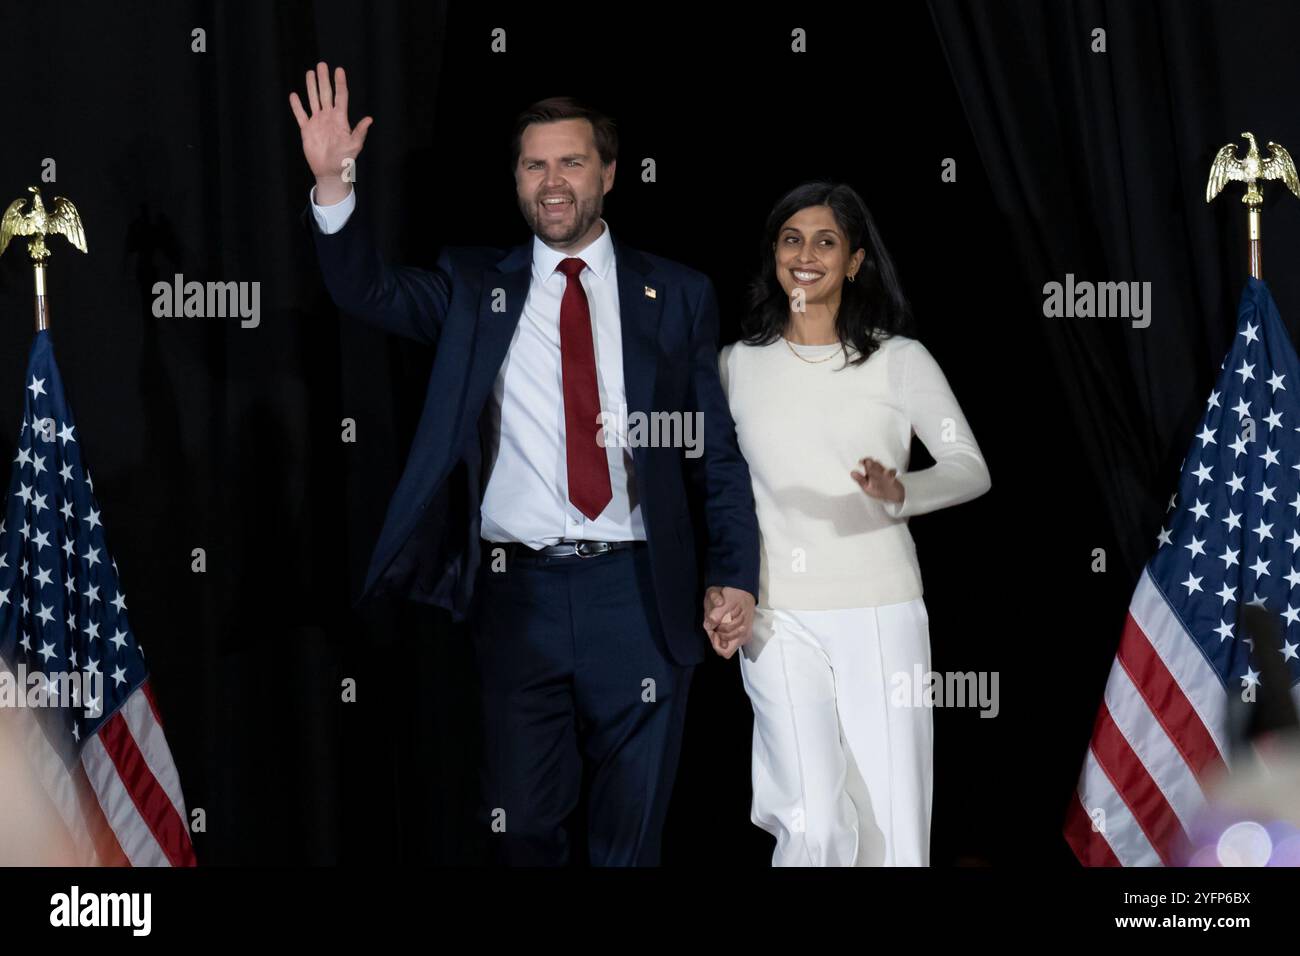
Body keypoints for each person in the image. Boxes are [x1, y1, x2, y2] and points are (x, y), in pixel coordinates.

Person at [289, 63, 759, 865]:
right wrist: (333, 186)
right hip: (519, 597)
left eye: (571, 162)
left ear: (608, 174)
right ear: (515, 179)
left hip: (641, 597)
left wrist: (736, 571)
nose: (552, 182)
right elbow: (367, 291)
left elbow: (715, 450)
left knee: (631, 836)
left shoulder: (675, 294)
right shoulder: (475, 287)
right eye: (534, 165)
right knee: (519, 823)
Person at [713, 181, 991, 866]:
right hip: (776, 618)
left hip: (879, 610)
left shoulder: (900, 360)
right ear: (775, 254)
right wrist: (721, 584)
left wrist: (901, 492)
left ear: (855, 260)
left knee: (891, 826)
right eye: (791, 238)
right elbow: (717, 492)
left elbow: (969, 466)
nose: (806, 255)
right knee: (808, 817)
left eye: (826, 241)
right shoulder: (735, 365)